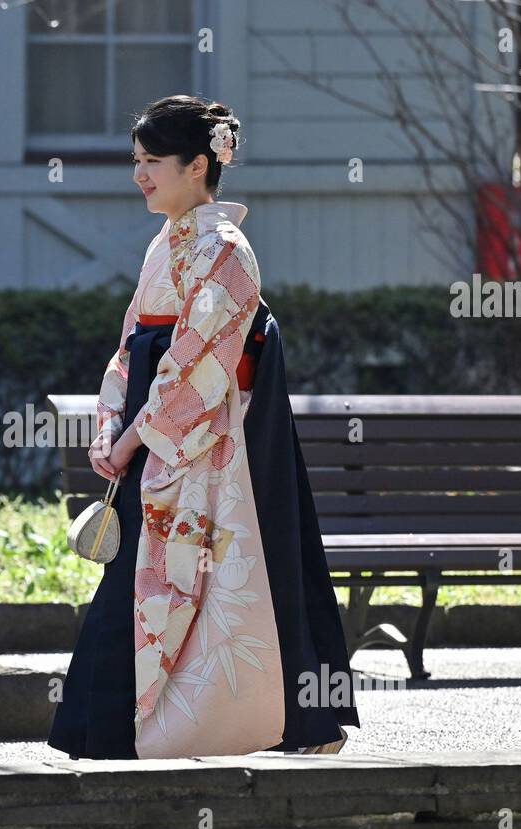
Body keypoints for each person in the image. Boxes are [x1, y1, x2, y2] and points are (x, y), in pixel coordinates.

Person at [46, 95, 361, 760]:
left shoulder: (224, 251)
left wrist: (134, 436)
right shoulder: (168, 245)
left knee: (204, 579)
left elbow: (199, 364)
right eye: (136, 161)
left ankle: (279, 723)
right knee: (147, 577)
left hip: (210, 450)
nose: (140, 174)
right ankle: (120, 730)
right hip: (161, 438)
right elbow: (132, 348)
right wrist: (110, 428)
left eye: (152, 161)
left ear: (196, 166)